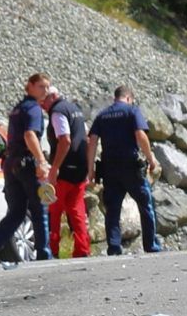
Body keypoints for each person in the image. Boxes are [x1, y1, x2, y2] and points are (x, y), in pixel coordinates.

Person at [0, 74, 54, 262]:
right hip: (27, 164)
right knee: (39, 208)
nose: (45, 91)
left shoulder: (17, 109)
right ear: (29, 86)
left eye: (47, 87)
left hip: (11, 163)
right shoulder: (33, 109)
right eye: (41, 86)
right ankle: (44, 253)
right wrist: (41, 161)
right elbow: (30, 135)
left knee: (17, 211)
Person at [87, 85, 163, 255]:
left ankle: (114, 246)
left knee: (112, 209)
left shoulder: (102, 115)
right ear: (128, 98)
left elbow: (92, 141)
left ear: (116, 98)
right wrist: (151, 160)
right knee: (145, 205)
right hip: (130, 167)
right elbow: (141, 135)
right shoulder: (132, 111)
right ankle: (151, 245)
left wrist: (90, 169)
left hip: (109, 168)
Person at [41, 80, 91, 258]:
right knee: (77, 211)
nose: (42, 105)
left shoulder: (58, 111)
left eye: (44, 101)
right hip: (80, 168)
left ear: (53, 97)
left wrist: (54, 168)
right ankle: (82, 249)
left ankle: (51, 250)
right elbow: (86, 137)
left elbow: (65, 140)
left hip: (65, 169)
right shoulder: (75, 109)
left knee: (54, 210)